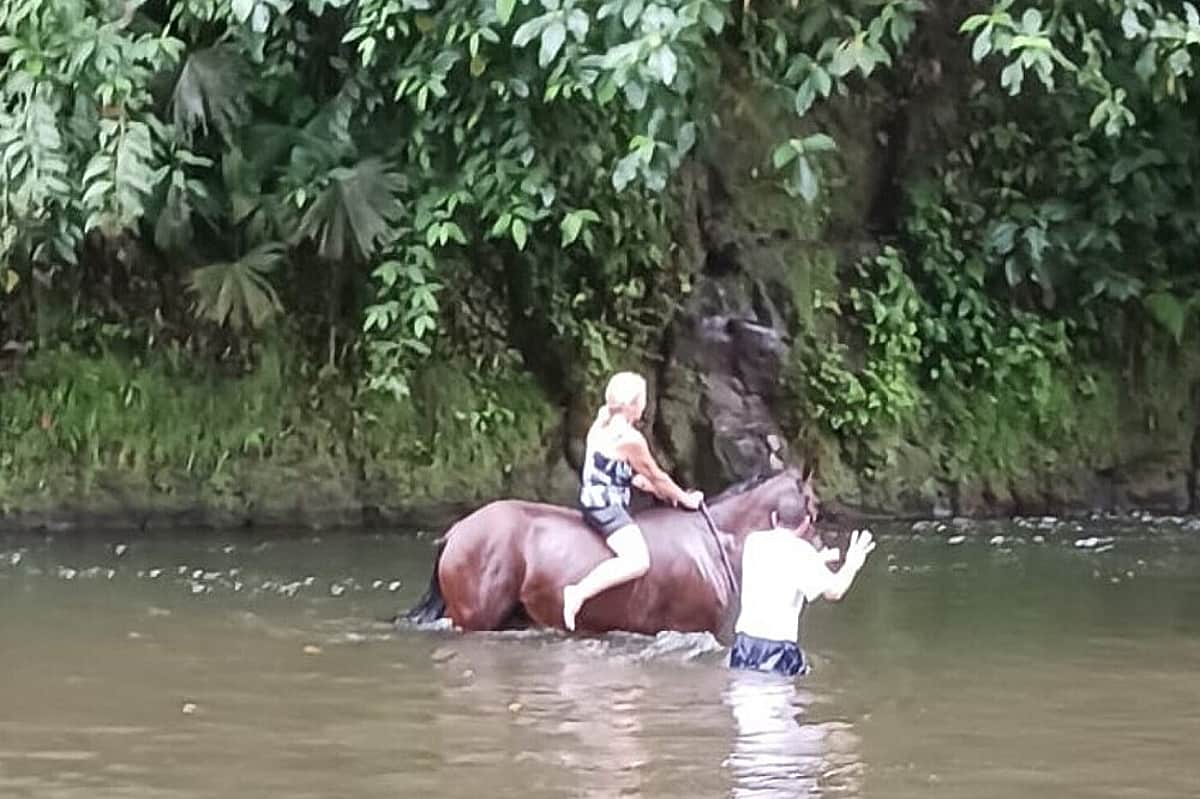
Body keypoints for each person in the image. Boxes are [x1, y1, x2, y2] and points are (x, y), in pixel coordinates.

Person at [562, 371, 704, 631]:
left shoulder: (601, 422)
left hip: (591, 497)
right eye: (642, 399)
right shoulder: (630, 439)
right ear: (631, 405)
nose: (645, 405)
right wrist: (685, 498)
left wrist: (647, 485)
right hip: (606, 507)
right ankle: (577, 593)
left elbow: (610, 468)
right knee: (638, 560)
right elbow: (657, 476)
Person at [730, 494, 875, 677]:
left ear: (774, 518)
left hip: (744, 644)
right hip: (779, 648)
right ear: (806, 522)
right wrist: (852, 564)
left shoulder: (754, 542)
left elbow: (779, 567)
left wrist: (817, 560)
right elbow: (835, 592)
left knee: (744, 698)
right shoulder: (803, 553)